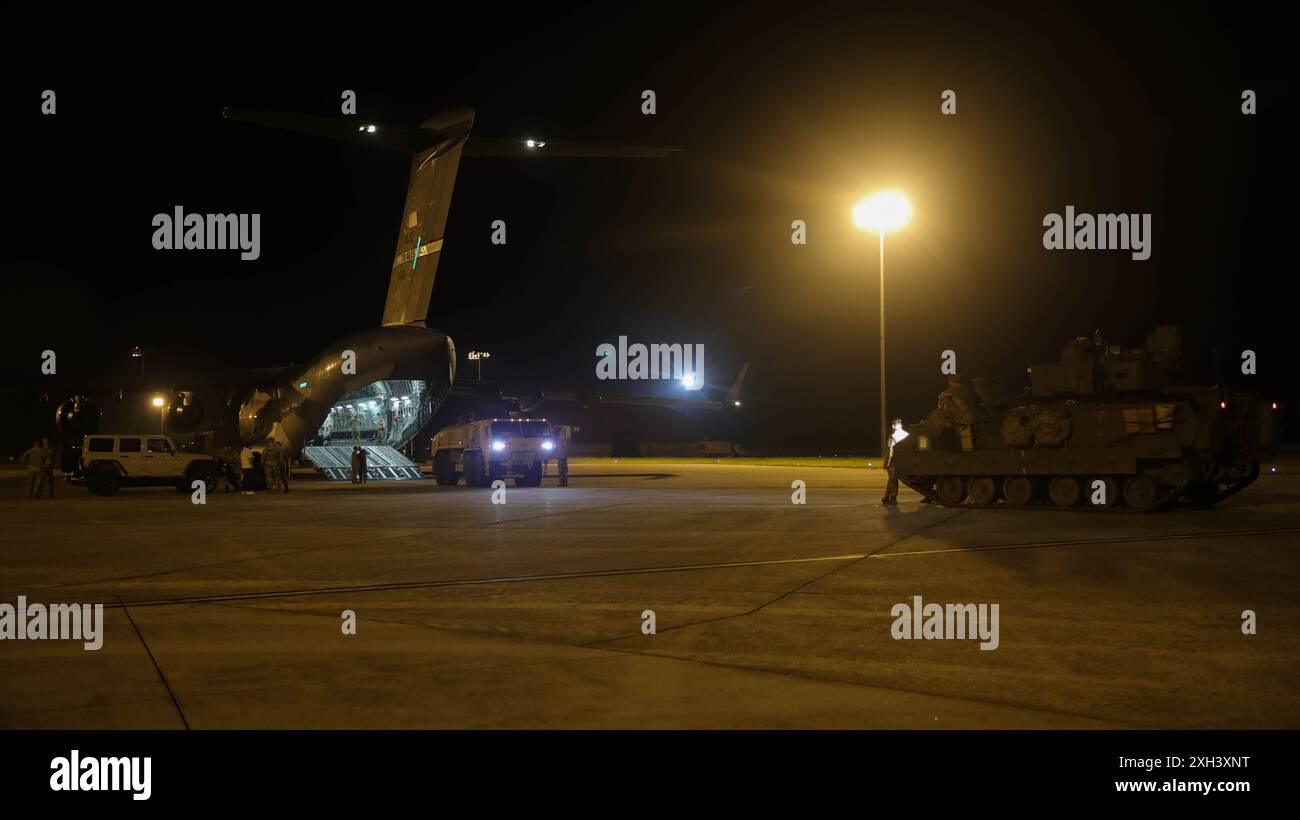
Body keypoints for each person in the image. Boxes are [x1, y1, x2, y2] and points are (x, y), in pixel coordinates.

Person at [882, 418, 909, 505]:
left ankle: (893, 498)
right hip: (904, 461)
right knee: (891, 479)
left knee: (893, 479)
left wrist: (887, 463)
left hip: (894, 461)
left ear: (893, 426)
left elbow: (890, 451)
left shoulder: (893, 436)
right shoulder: (907, 435)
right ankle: (886, 496)